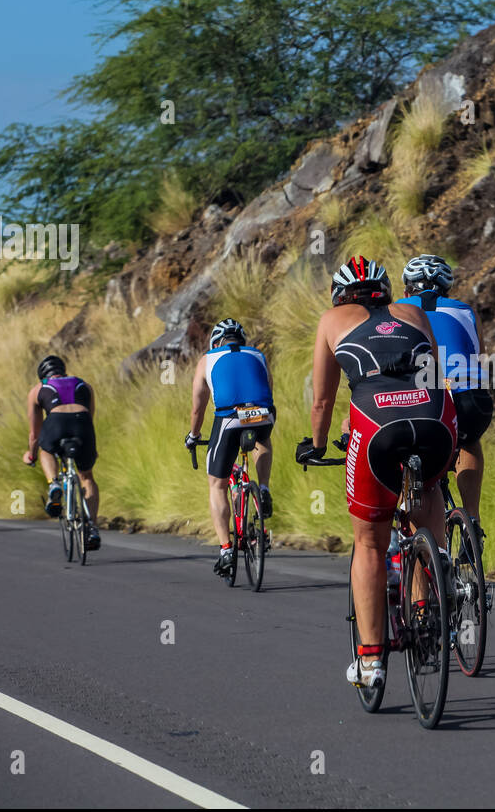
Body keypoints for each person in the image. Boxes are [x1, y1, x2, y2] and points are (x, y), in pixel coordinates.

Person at [297, 255, 457, 688]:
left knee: (369, 543)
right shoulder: (413, 311)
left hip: (375, 423)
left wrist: (315, 445)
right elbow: (433, 373)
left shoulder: (332, 320)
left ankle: (371, 662)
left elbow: (322, 402)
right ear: (386, 291)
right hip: (436, 420)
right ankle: (437, 574)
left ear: (339, 294)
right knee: (430, 487)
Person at [397, 254, 493, 522]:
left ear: (407, 289)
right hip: (470, 398)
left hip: (421, 399)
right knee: (469, 440)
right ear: (447, 289)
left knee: (406, 451)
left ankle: (415, 541)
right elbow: (480, 359)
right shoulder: (464, 310)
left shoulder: (395, 310)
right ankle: (472, 518)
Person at [186, 318, 276, 577]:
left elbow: (197, 408)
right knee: (262, 440)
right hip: (263, 414)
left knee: (217, 484)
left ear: (216, 342)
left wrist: (194, 435)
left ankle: (226, 548)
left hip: (228, 417)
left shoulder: (207, 359)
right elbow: (268, 390)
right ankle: (264, 488)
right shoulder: (258, 355)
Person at [22, 355, 101, 550]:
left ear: (42, 375)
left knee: (45, 449)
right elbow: (89, 419)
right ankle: (91, 527)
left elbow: (35, 433)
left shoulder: (38, 389)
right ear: (63, 370)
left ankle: (54, 483)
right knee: (87, 477)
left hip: (56, 422)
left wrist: (31, 455)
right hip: (82, 425)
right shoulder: (84, 385)